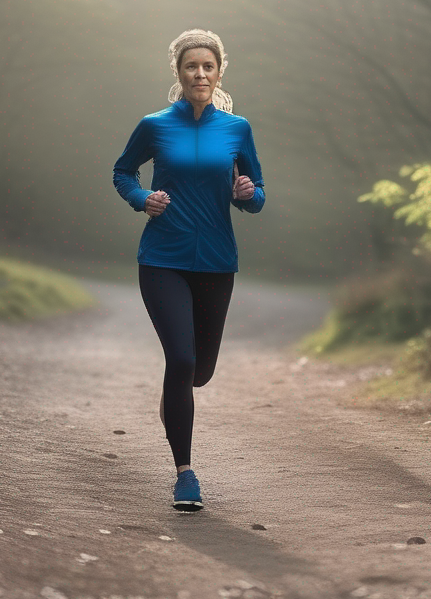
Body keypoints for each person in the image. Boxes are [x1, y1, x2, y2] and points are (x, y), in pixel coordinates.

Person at [111, 28, 266, 512]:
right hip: (162, 258)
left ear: (219, 73)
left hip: (217, 262)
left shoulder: (236, 129)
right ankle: (185, 474)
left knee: (198, 372)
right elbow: (122, 170)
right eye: (190, 66)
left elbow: (256, 192)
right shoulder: (155, 125)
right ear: (178, 74)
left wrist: (248, 195)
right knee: (180, 360)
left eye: (208, 66)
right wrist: (141, 199)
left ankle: (175, 399)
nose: (200, 73)